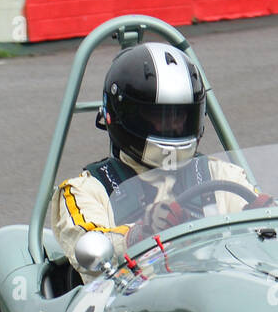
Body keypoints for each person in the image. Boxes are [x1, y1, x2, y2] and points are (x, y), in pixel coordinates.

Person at [54, 42, 258, 280]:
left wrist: (268, 217)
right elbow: (88, 246)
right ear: (125, 116)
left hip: (217, 295)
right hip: (127, 307)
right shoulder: (85, 190)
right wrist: (139, 235)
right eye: (159, 116)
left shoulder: (220, 174)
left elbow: (257, 232)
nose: (173, 125)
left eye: (180, 116)